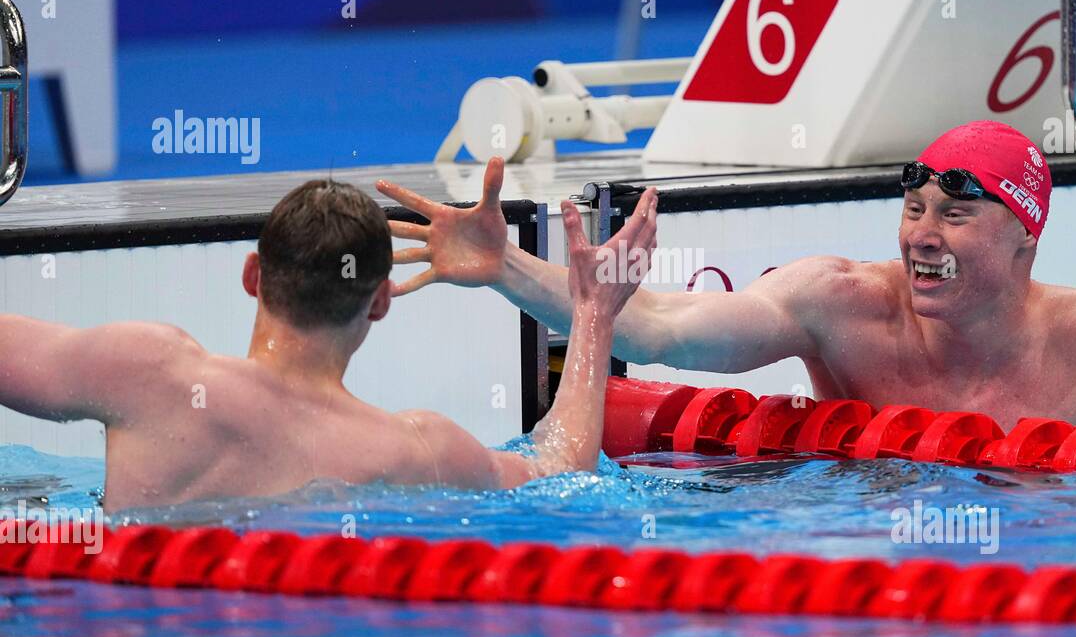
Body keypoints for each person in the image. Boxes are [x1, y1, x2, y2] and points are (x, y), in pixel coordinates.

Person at [377, 120, 1076, 465]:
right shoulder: (838, 303)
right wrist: (504, 269)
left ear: (1023, 238)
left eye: (954, 216)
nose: (921, 234)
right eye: (913, 207)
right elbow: (652, 328)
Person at [0, 179, 658, 511]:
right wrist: (595, 311)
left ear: (253, 275)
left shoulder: (148, 372)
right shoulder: (416, 450)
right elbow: (564, 468)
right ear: (379, 301)